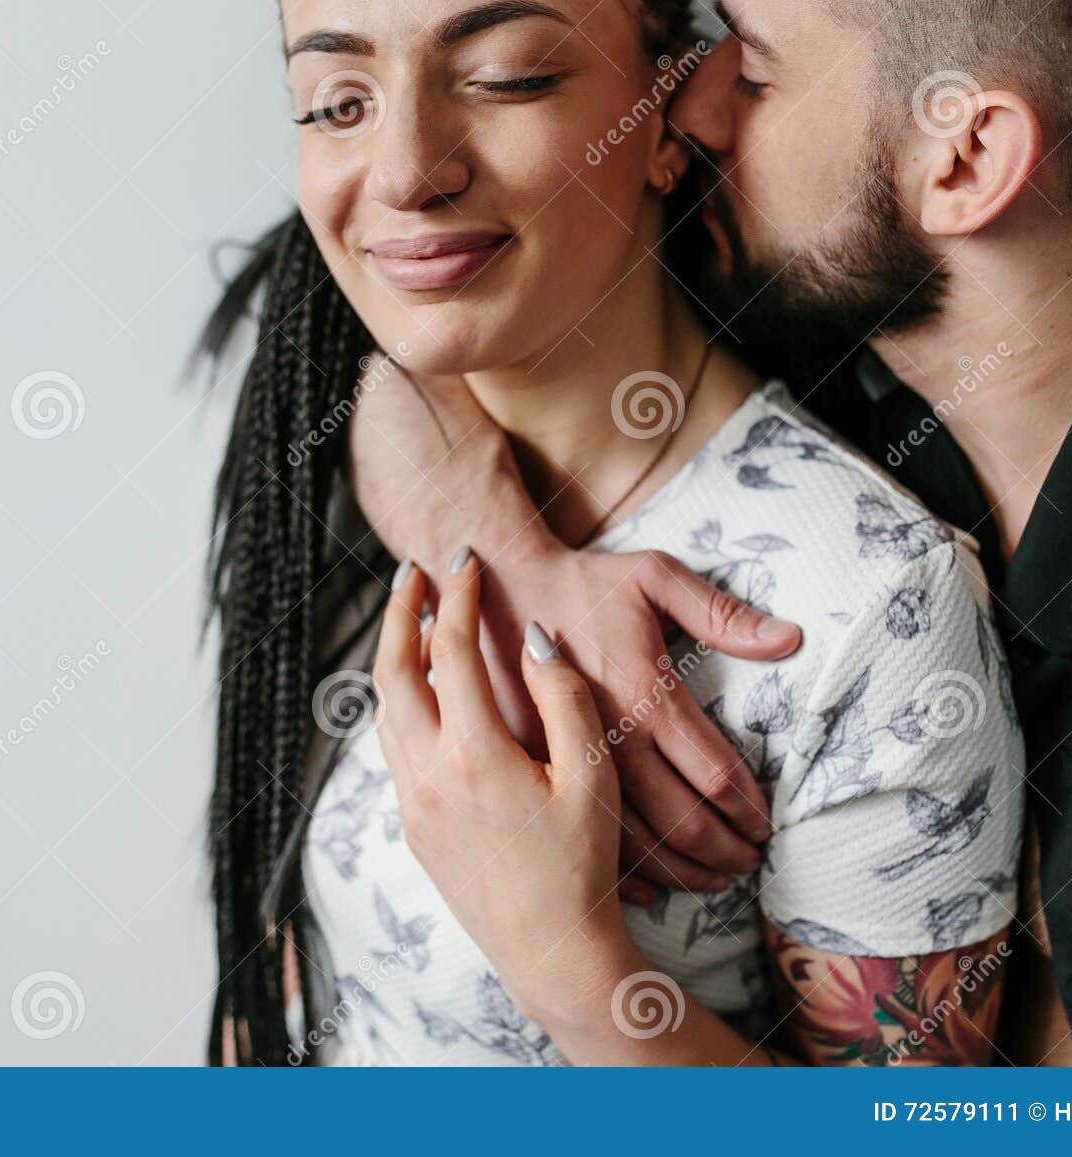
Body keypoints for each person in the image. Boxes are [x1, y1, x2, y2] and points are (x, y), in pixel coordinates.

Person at [352, 0, 1072, 1064]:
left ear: (966, 158)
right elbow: (390, 340)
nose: (691, 105)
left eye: (755, 71)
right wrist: (517, 563)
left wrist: (566, 966)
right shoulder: (783, 282)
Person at [201, 0, 1024, 1066]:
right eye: (336, 103)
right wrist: (515, 564)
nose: (403, 173)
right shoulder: (330, 428)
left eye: (505, 78)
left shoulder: (868, 602)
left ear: (667, 115)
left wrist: (565, 960)